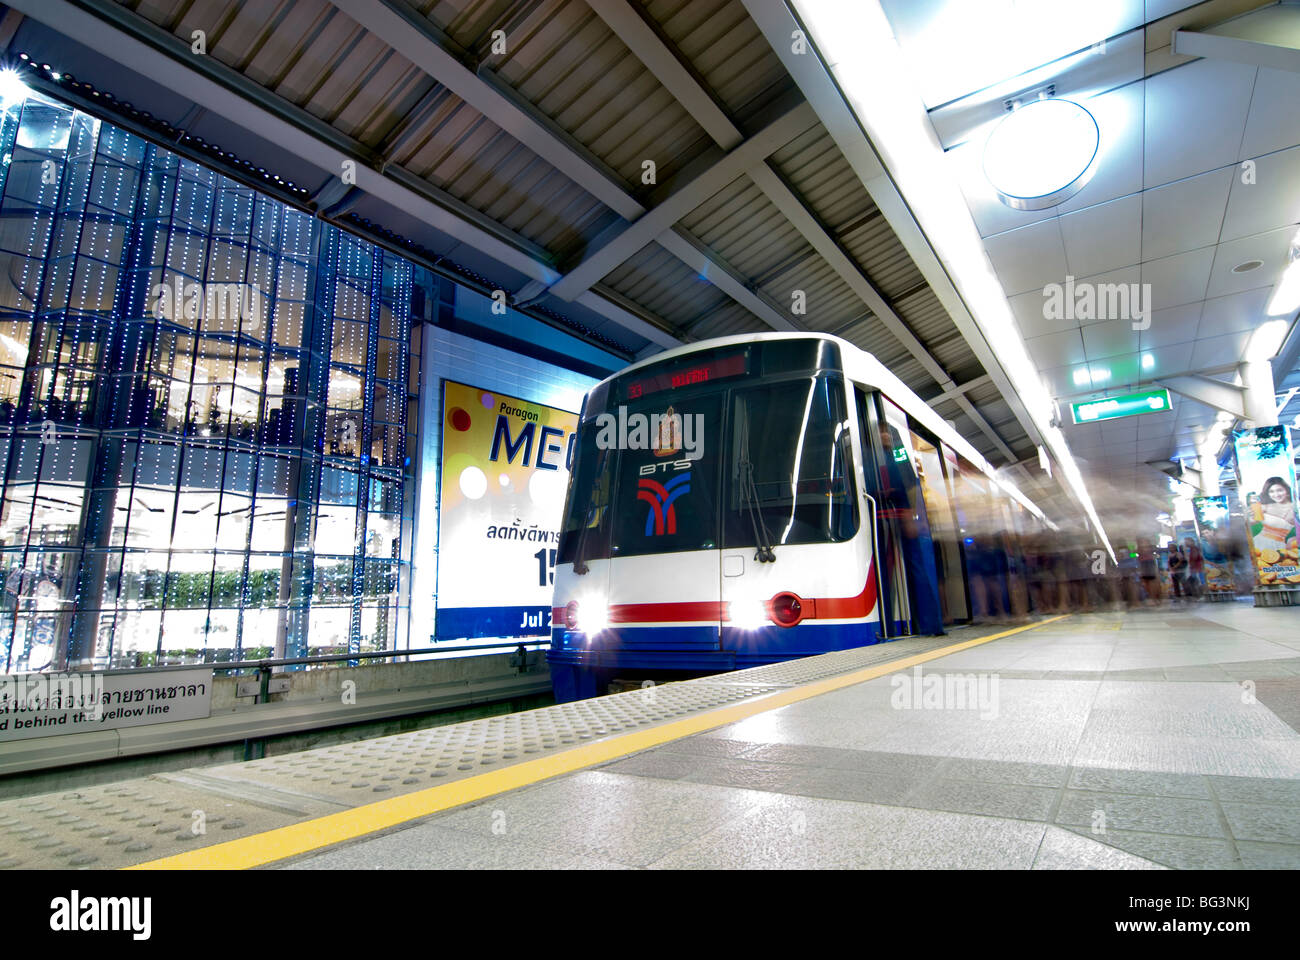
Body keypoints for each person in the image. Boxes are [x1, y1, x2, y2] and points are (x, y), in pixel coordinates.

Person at [1253, 477, 1297, 551]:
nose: (1276, 495)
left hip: (1278, 546)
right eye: (1271, 491)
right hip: (1257, 542)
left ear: (1286, 489)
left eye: (1279, 490)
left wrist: (1293, 539)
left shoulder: (1294, 507)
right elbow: (1251, 523)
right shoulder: (1264, 507)